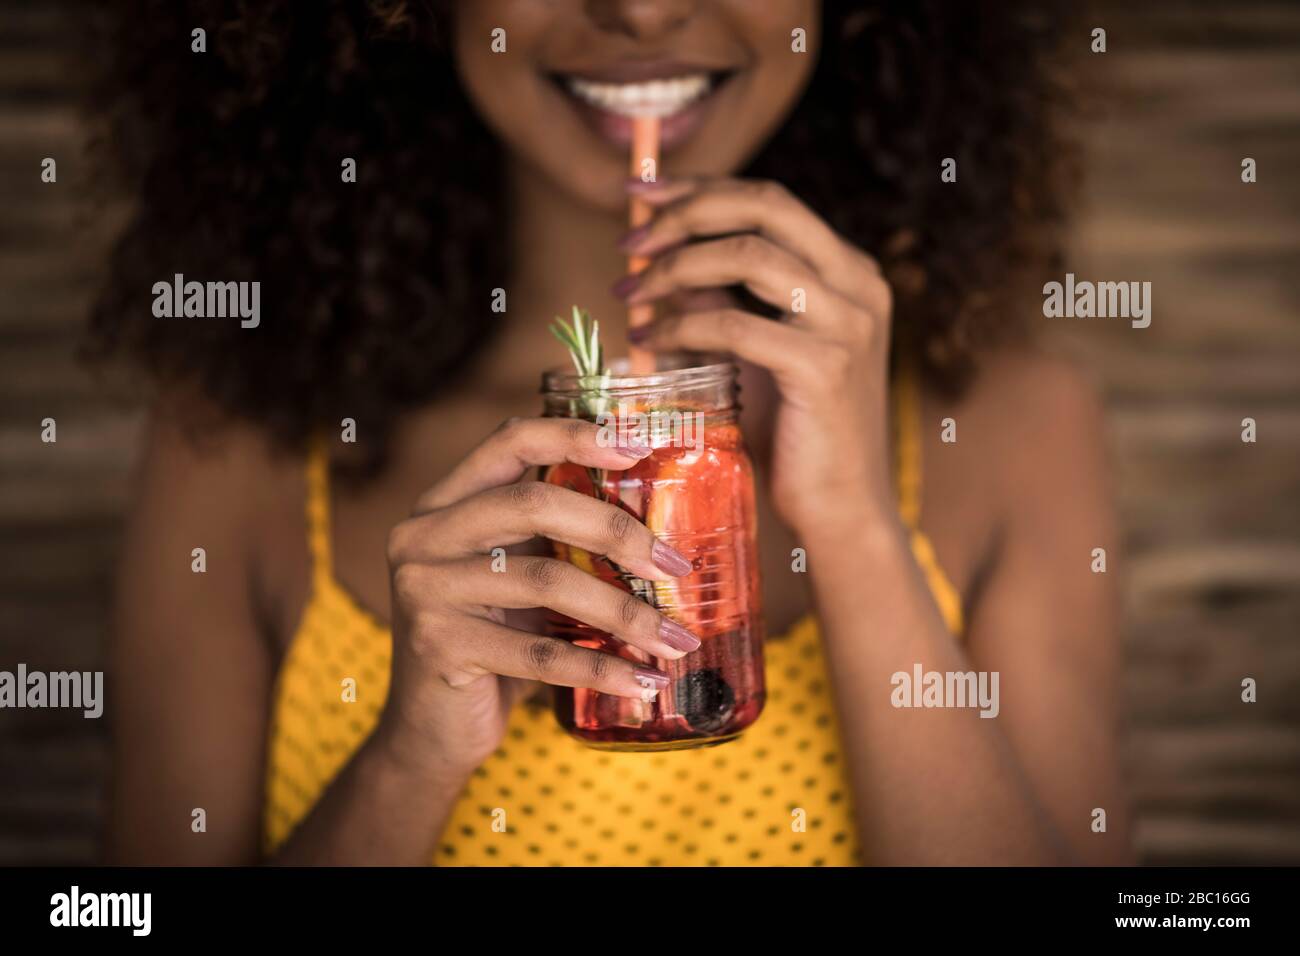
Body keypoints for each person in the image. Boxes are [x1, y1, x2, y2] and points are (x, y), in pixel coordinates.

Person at [93, 0, 1129, 865]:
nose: (640, 9)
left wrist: (855, 527)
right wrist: (406, 762)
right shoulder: (237, 446)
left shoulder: (1020, 429)